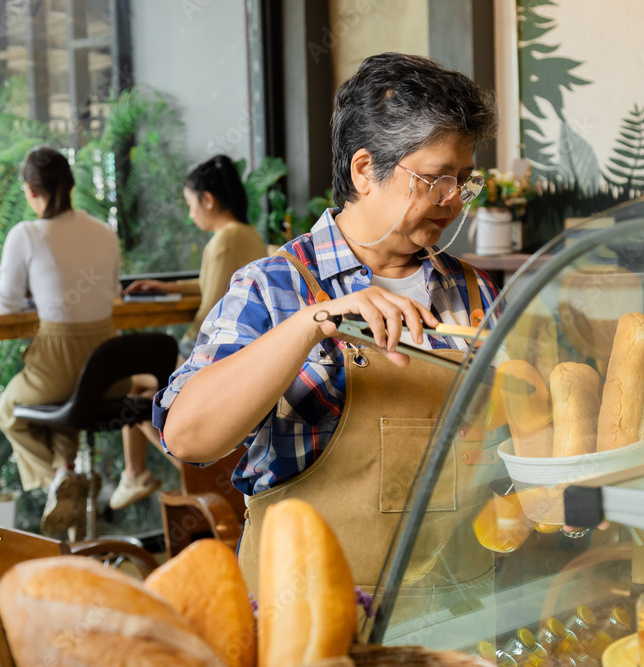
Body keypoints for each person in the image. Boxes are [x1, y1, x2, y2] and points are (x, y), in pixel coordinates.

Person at [153, 52, 501, 596]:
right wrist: (313, 323)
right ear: (365, 170)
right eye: (436, 179)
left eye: (464, 180)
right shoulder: (273, 286)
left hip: (455, 610)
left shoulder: (473, 292)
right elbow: (188, 435)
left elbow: (507, 443)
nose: (453, 200)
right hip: (304, 611)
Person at [0, 146, 125, 537]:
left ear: (29, 190)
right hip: (107, 364)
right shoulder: (104, 231)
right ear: (71, 186)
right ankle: (66, 472)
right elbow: (111, 293)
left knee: (6, 410)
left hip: (59, 358)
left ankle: (57, 479)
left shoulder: (25, 233)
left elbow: (6, 301)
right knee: (69, 405)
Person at [109, 155, 267, 509]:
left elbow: (212, 311)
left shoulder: (223, 240)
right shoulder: (247, 235)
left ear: (207, 199)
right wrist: (169, 288)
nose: (190, 213)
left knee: (133, 392)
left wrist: (185, 358)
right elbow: (217, 286)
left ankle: (170, 472)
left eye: (190, 203)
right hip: (244, 354)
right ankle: (175, 473)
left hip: (212, 355)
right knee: (140, 391)